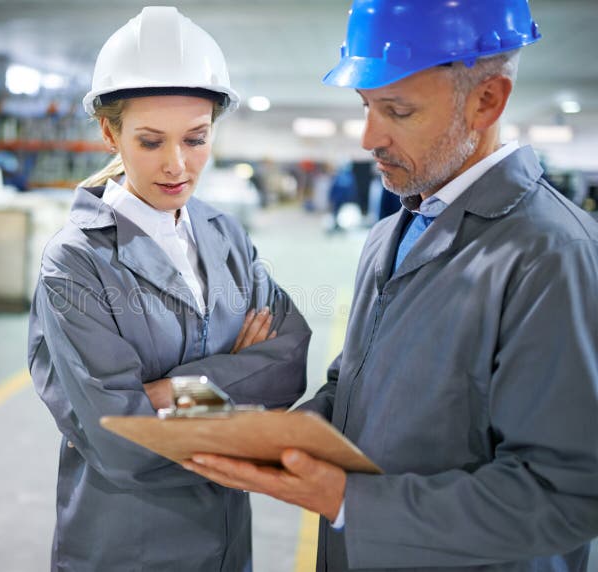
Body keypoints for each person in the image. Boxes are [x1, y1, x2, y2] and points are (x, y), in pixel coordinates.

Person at [183, 1, 598, 570]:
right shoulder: (390, 235)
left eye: (397, 111)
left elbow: (564, 494)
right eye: (366, 107)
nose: (367, 137)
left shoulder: (552, 255)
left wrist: (346, 500)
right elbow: (359, 385)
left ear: (486, 101)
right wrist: (289, 434)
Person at [27, 7, 311, 571]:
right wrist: (234, 381)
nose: (177, 165)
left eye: (196, 138)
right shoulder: (76, 265)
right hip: (131, 543)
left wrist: (168, 391)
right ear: (110, 132)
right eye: (151, 141)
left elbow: (288, 366)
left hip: (226, 535)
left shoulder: (224, 235)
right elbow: (121, 441)